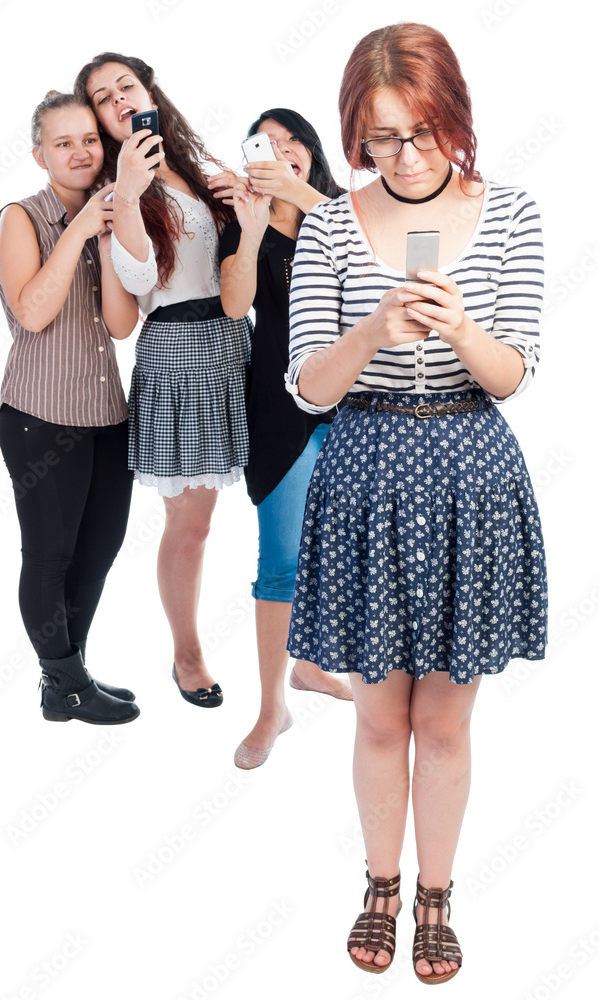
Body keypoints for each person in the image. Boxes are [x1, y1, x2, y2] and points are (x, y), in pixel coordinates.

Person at [285, 24, 547, 983]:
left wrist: (461, 327)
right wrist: (373, 329)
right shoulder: (327, 223)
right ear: (355, 130)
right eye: (384, 137)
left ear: (456, 120)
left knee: (444, 722)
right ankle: (380, 884)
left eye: (424, 134)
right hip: (363, 475)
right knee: (376, 717)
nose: (405, 156)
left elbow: (514, 373)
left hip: (472, 478)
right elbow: (308, 386)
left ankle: (436, 894)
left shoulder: (510, 213)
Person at [74, 53, 251, 708]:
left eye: (127, 86)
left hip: (234, 341)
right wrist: (124, 188)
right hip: (177, 353)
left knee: (230, 508)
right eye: (102, 97)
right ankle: (187, 651)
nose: (118, 99)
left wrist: (238, 200)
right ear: (95, 118)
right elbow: (140, 286)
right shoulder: (117, 192)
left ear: (149, 92)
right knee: (191, 522)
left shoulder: (190, 170)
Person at [0, 92, 140, 725]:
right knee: (49, 554)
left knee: (100, 548)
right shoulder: (21, 217)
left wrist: (109, 237)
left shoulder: (110, 215)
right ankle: (65, 681)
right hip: (39, 415)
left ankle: (68, 674)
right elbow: (32, 312)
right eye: (63, 143)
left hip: (106, 413)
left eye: (89, 139)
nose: (80, 152)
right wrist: (80, 226)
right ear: (39, 154)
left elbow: (119, 325)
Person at [219, 108, 351, 768]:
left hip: (357, 409)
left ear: (311, 148)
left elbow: (385, 264)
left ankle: (312, 666)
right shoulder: (248, 221)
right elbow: (235, 303)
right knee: (281, 564)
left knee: (338, 553)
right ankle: (273, 705)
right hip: (281, 412)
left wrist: (304, 198)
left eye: (292, 138)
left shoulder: (349, 212)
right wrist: (248, 229)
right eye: (267, 143)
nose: (283, 149)